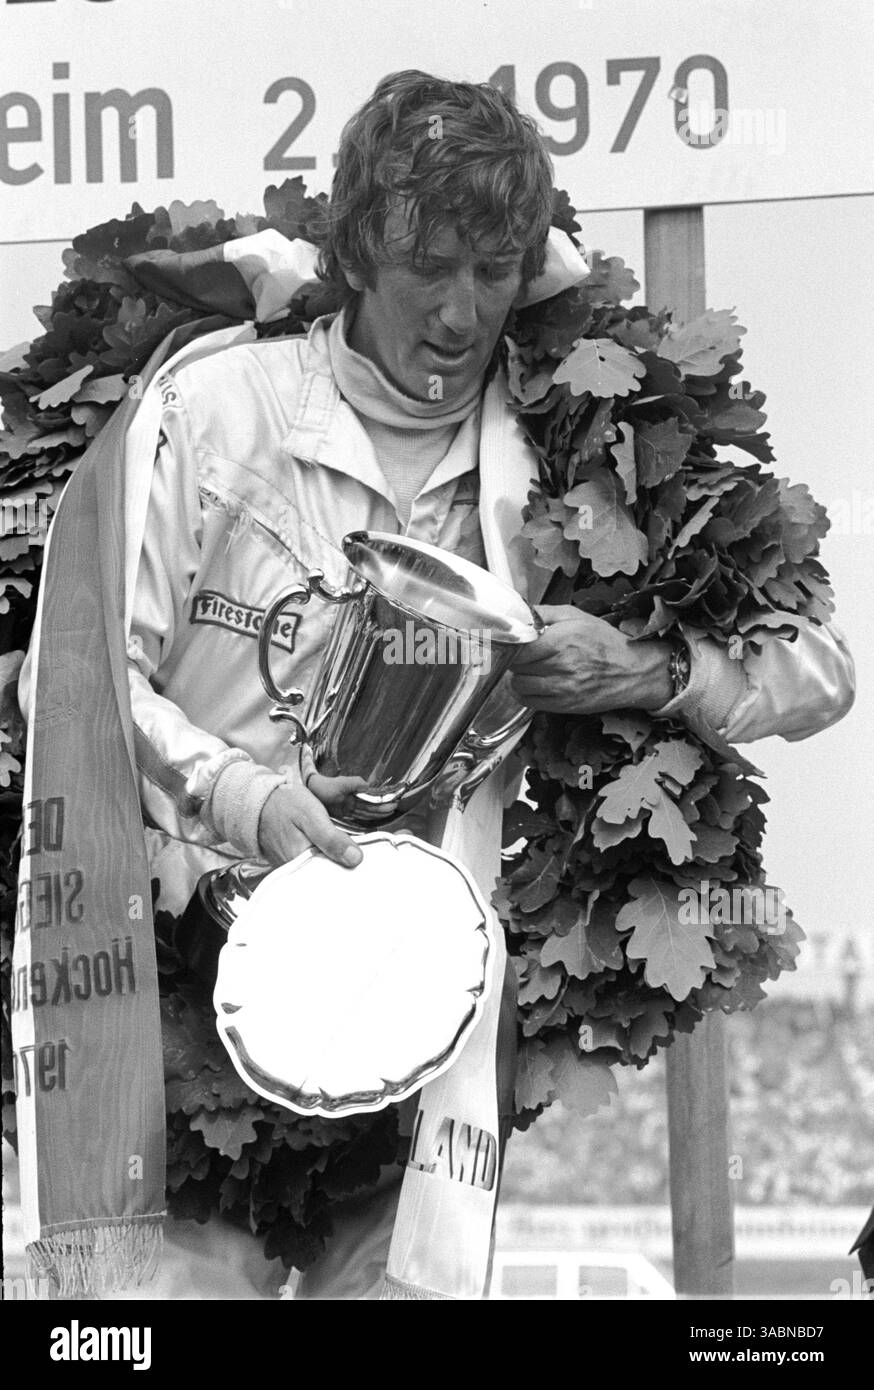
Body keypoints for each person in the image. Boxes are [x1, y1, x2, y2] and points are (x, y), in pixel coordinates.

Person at [17, 69, 855, 1301]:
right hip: (182, 1021)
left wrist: (636, 664)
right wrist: (246, 799)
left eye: (495, 271)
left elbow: (815, 670)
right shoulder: (205, 413)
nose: (464, 314)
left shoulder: (576, 441)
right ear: (356, 253)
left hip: (422, 1071)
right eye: (430, 273)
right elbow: (73, 686)